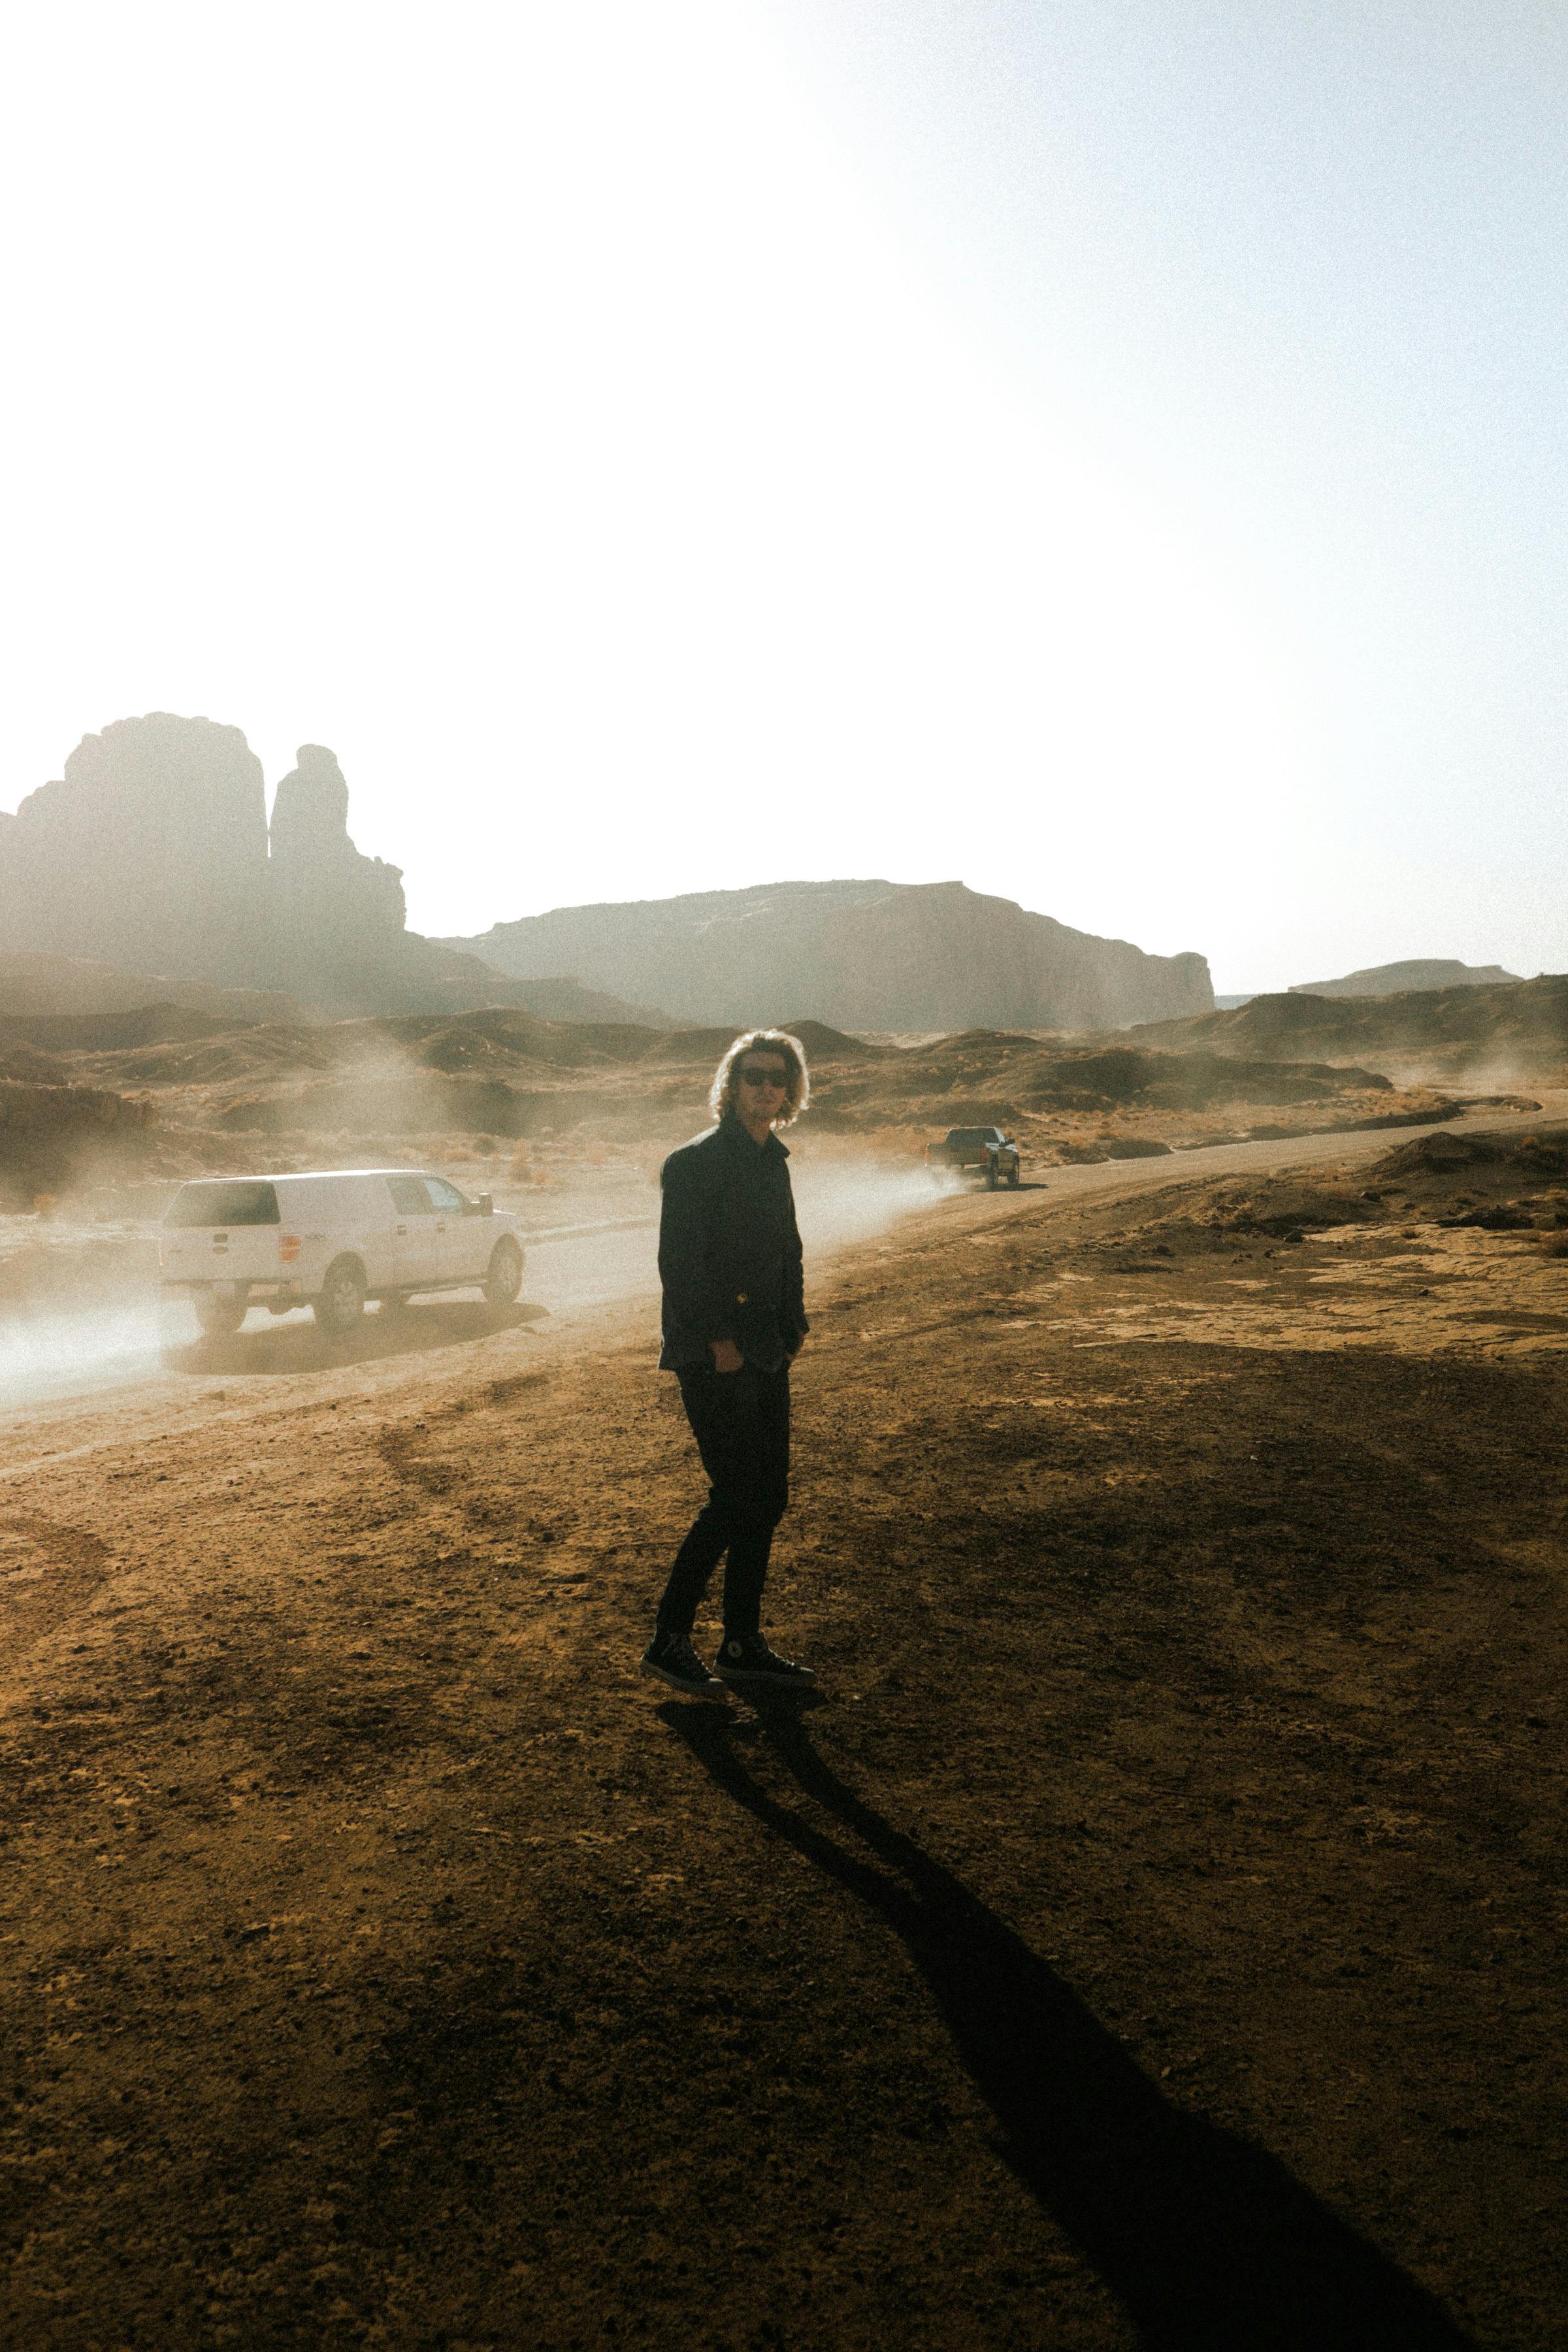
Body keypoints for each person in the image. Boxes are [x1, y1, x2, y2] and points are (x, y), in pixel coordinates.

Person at [641, 1028, 817, 1701]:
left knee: (767, 1498)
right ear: (732, 1085)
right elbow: (679, 1266)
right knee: (735, 1496)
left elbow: (789, 1251)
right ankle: (668, 1639)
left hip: (768, 1353)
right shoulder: (694, 1164)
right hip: (713, 1355)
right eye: (753, 1076)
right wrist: (718, 1340)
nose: (766, 1087)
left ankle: (741, 1642)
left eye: (777, 1078)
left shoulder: (774, 1160)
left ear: (790, 1091)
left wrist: (794, 1326)